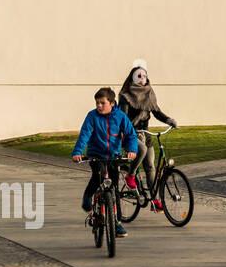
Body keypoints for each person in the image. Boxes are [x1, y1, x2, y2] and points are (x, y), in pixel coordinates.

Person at [71, 87, 139, 237]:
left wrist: (132, 150)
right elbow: (84, 135)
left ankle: (117, 223)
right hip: (96, 155)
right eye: (97, 103)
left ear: (112, 103)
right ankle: (87, 196)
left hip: (114, 157)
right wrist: (77, 153)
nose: (99, 106)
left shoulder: (120, 116)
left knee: (114, 189)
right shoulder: (92, 116)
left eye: (102, 103)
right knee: (98, 176)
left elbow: (130, 135)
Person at [118, 66, 178, 209]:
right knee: (142, 150)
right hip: (131, 134)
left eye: (144, 76)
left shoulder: (149, 93)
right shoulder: (126, 96)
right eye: (138, 76)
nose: (142, 79)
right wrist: (139, 117)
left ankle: (155, 200)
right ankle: (130, 176)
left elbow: (156, 111)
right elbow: (124, 120)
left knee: (151, 167)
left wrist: (169, 120)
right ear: (132, 78)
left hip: (146, 133)